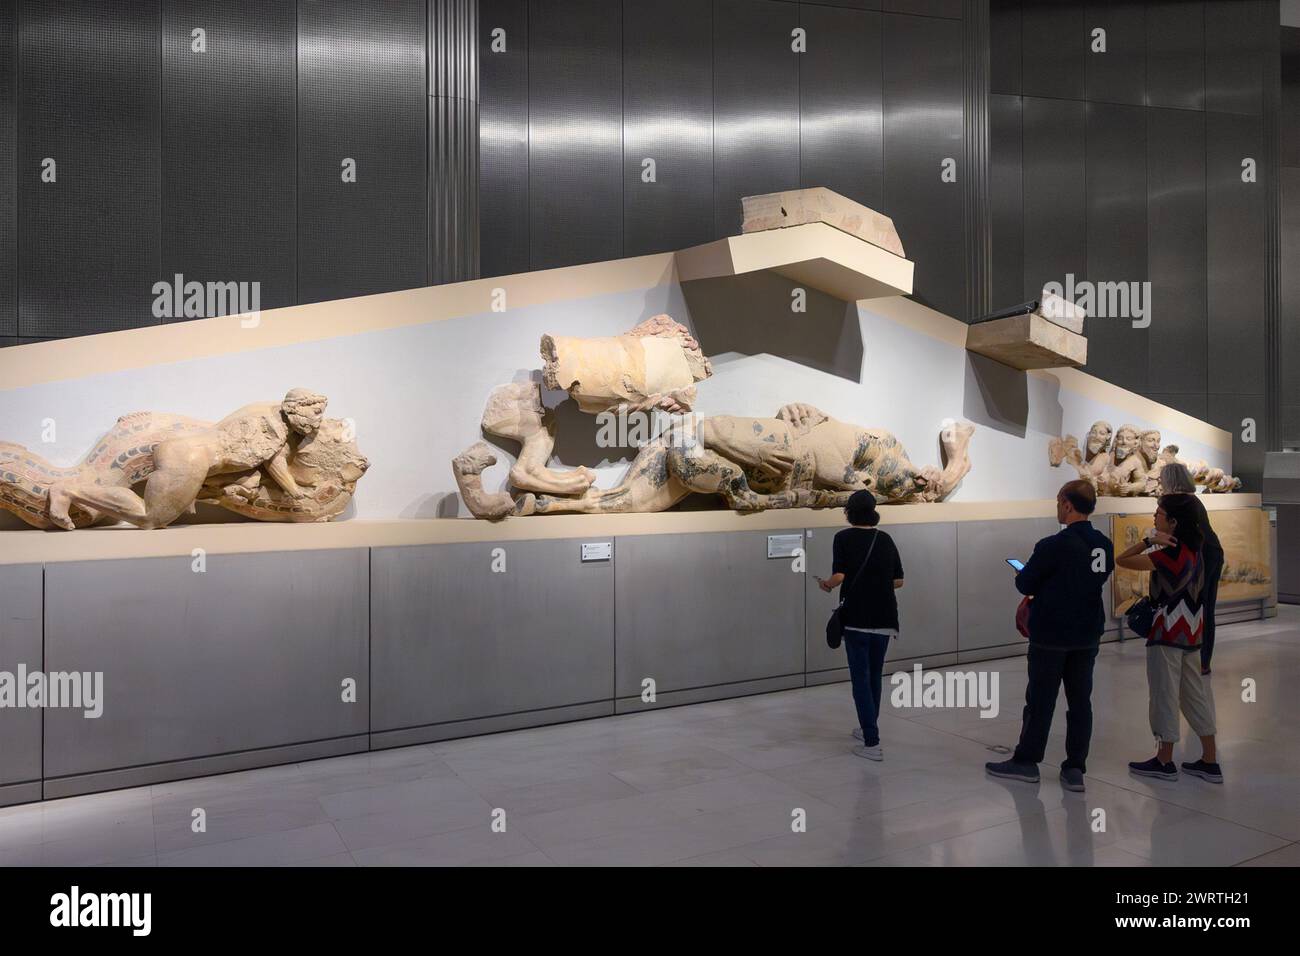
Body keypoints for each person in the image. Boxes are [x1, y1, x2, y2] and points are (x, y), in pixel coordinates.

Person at [986, 480, 1114, 792]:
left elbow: (1026, 584)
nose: (1057, 508)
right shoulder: (1103, 544)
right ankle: (1074, 768)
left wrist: (1025, 575)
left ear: (1068, 505)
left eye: (1058, 502)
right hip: (1087, 633)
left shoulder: (1052, 545)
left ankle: (1027, 761)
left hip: (1052, 634)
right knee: (1080, 701)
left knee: (1041, 701)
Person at [1117, 494, 1222, 783]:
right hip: (1192, 632)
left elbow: (1122, 559)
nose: (1155, 518)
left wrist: (1149, 541)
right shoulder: (1198, 549)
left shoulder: (1167, 553)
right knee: (1194, 695)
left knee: (1164, 694)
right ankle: (1210, 760)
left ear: (1172, 522)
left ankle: (1164, 760)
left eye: (1159, 514)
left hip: (1166, 632)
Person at [816, 490, 904, 762]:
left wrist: (826, 584)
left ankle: (872, 741)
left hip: (857, 619)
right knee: (874, 676)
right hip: (885, 618)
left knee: (860, 680)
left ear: (849, 512)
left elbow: (840, 575)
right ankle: (869, 726)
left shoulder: (842, 538)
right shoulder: (885, 539)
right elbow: (898, 580)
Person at [1158, 463, 1224, 675]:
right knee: (1207, 607)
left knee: (1191, 605)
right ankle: (1203, 662)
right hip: (1213, 552)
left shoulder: (1170, 501)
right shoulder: (1193, 500)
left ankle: (1187, 656)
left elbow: (1166, 531)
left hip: (1198, 556)